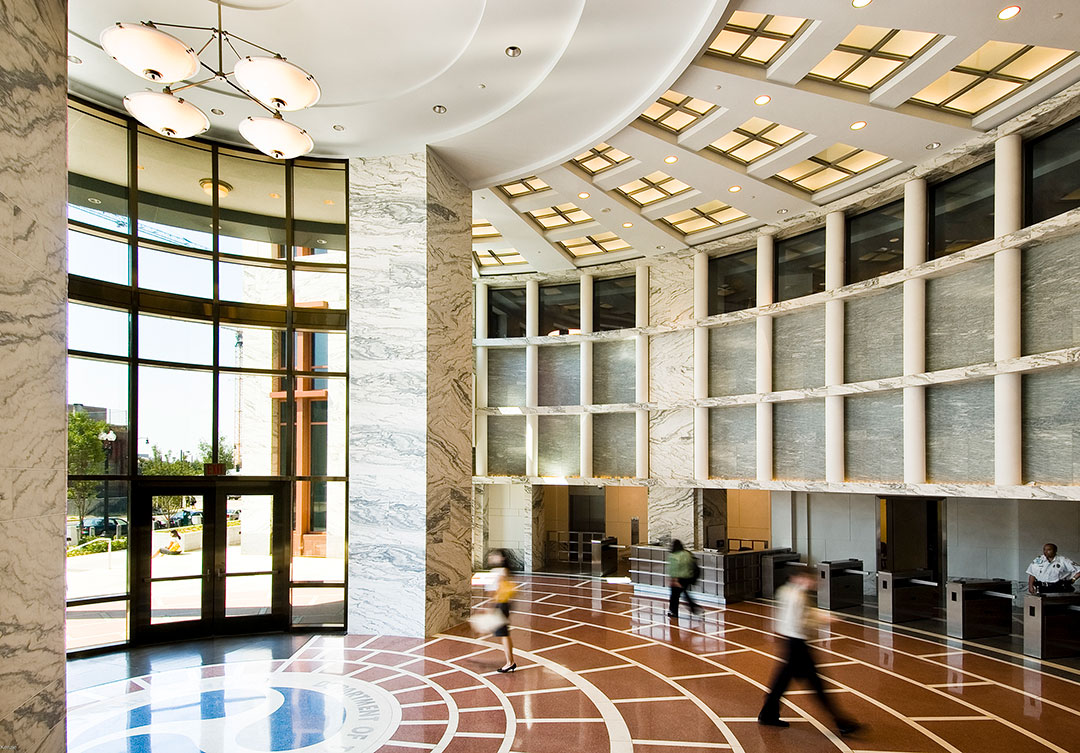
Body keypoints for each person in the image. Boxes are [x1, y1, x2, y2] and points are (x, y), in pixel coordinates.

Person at [758, 570, 860, 736]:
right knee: (815, 685)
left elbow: (800, 615)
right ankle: (841, 722)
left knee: (782, 682)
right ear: (799, 578)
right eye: (808, 579)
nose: (812, 583)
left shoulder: (787, 592)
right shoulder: (798, 596)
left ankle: (768, 713)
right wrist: (824, 619)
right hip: (798, 644)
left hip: (792, 643)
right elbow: (800, 621)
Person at [487, 549, 517, 673]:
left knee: (504, 634)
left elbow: (495, 590)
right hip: (502, 605)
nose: (492, 557)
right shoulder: (501, 571)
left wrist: (490, 606)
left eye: (495, 556)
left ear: (502, 558)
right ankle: (510, 661)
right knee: (504, 634)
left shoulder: (500, 571)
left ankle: (510, 662)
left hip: (500, 605)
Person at [667, 539, 701, 617]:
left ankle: (673, 611)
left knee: (674, 596)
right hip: (688, 577)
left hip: (678, 578)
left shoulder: (674, 556)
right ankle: (694, 607)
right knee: (685, 593)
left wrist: (674, 579)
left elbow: (674, 568)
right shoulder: (687, 553)